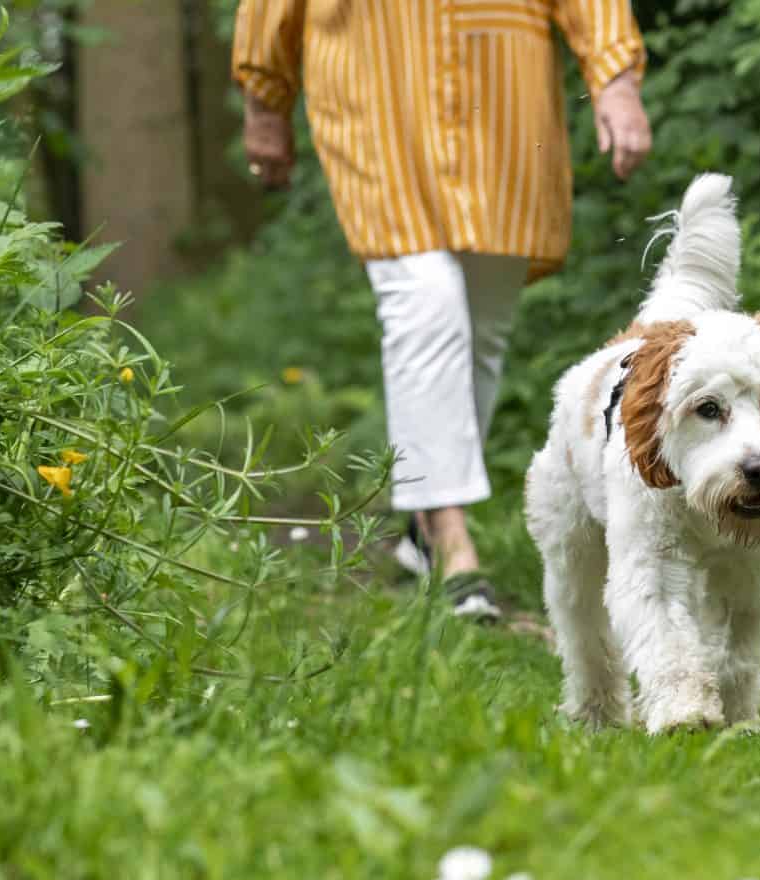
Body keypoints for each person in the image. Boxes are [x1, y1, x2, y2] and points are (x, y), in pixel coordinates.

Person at [232, 0, 653, 621]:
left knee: (482, 326)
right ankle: (451, 539)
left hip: (503, 91)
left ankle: (420, 527)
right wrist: (264, 97)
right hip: (374, 86)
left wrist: (614, 77)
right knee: (424, 303)